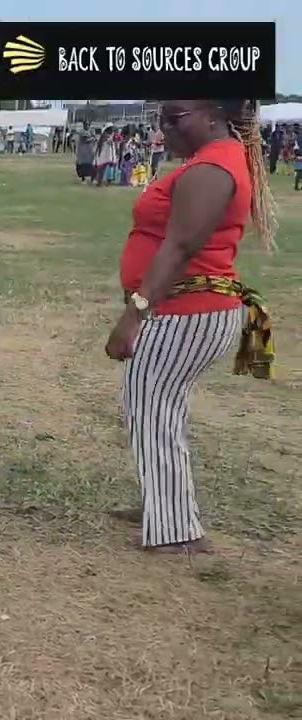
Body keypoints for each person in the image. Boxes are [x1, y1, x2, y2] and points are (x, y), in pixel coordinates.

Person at [105, 99, 277, 554]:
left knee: (152, 407)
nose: (165, 127)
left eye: (176, 117)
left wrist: (134, 314)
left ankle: (178, 531)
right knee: (158, 408)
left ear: (213, 114)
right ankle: (166, 505)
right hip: (188, 307)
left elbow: (179, 247)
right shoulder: (212, 161)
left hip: (186, 309)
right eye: (161, 118)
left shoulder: (212, 168)